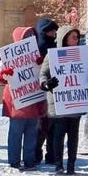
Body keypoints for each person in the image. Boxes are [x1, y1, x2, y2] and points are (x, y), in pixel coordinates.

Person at [39, 25, 88, 175]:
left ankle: (71, 163)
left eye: (77, 37)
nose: (76, 39)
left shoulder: (82, 55)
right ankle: (58, 164)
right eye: (73, 37)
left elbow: (84, 74)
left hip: (76, 102)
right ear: (64, 38)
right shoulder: (53, 55)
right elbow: (43, 75)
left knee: (73, 136)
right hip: (59, 102)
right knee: (58, 135)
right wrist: (46, 84)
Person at [0, 27, 46, 170]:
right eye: (27, 36)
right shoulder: (10, 57)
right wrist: (4, 74)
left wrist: (40, 64)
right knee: (15, 134)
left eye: (32, 36)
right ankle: (14, 161)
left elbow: (44, 73)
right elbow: (1, 78)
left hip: (34, 101)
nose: (30, 38)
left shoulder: (37, 55)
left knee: (31, 134)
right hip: (17, 103)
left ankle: (29, 160)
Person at [35, 18, 59, 165]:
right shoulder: (38, 47)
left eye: (54, 31)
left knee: (53, 125)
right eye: (50, 31)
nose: (53, 33)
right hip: (41, 91)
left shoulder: (55, 47)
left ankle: (51, 154)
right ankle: (37, 152)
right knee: (43, 125)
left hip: (55, 90)